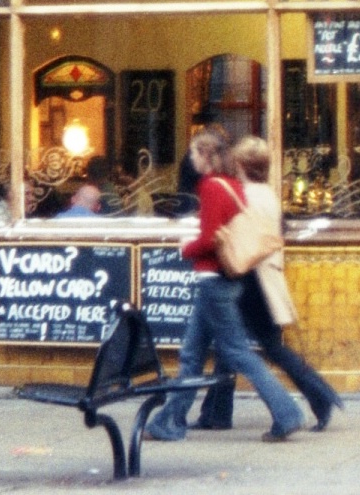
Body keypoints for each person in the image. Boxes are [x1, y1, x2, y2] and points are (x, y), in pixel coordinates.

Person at [144, 128, 305, 443]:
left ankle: (286, 413)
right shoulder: (232, 185)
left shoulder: (211, 187)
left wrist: (186, 248)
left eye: (193, 153)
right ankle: (170, 421)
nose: (190, 160)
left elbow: (209, 239)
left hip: (212, 282)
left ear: (205, 155)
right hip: (227, 280)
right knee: (193, 354)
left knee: (236, 352)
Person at [194, 135, 344, 432]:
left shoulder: (244, 195)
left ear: (240, 164)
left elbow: (234, 236)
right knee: (231, 346)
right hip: (261, 276)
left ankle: (319, 396)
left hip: (251, 278)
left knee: (264, 347)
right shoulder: (268, 193)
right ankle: (217, 412)